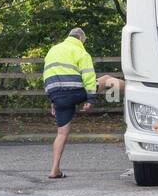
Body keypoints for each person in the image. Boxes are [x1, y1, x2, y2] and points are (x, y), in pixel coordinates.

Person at [42, 27, 117, 179]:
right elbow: (89, 76)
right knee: (108, 79)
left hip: (56, 94)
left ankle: (54, 170)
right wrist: (90, 98)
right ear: (81, 39)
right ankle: (133, 87)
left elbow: (48, 74)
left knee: (62, 132)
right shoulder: (81, 51)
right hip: (75, 91)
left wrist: (53, 100)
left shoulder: (53, 50)